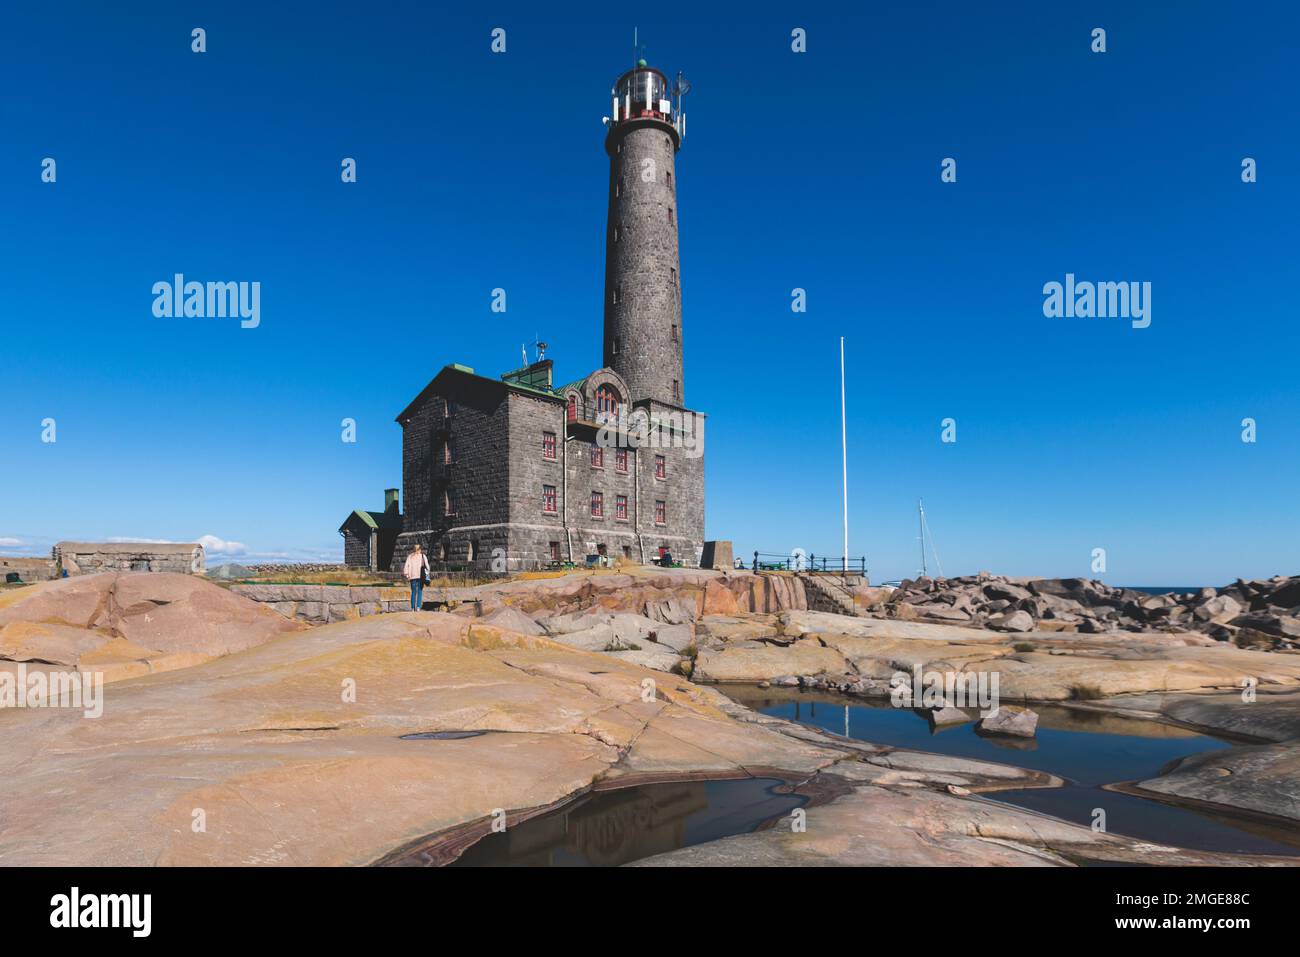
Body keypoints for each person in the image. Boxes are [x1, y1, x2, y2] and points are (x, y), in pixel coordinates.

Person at [404, 544, 430, 611]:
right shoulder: (423, 556)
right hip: (421, 576)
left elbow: (406, 566)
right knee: (420, 591)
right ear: (420, 549)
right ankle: (418, 607)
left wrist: (407, 575)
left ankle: (412, 608)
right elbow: (427, 566)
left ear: (413, 549)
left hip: (412, 577)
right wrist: (427, 573)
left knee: (413, 592)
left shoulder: (410, 556)